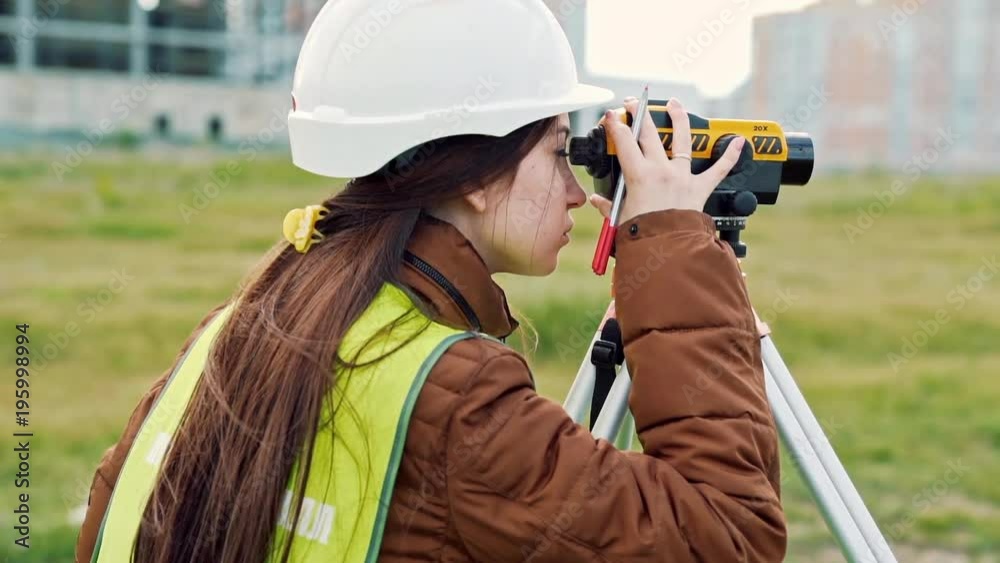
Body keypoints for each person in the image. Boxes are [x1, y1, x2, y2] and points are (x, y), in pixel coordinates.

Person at [76, 1, 785, 562]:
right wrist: (676, 252)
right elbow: (726, 535)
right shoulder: (458, 399)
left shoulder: (242, 321)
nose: (575, 191)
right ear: (477, 175)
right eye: (557, 152)